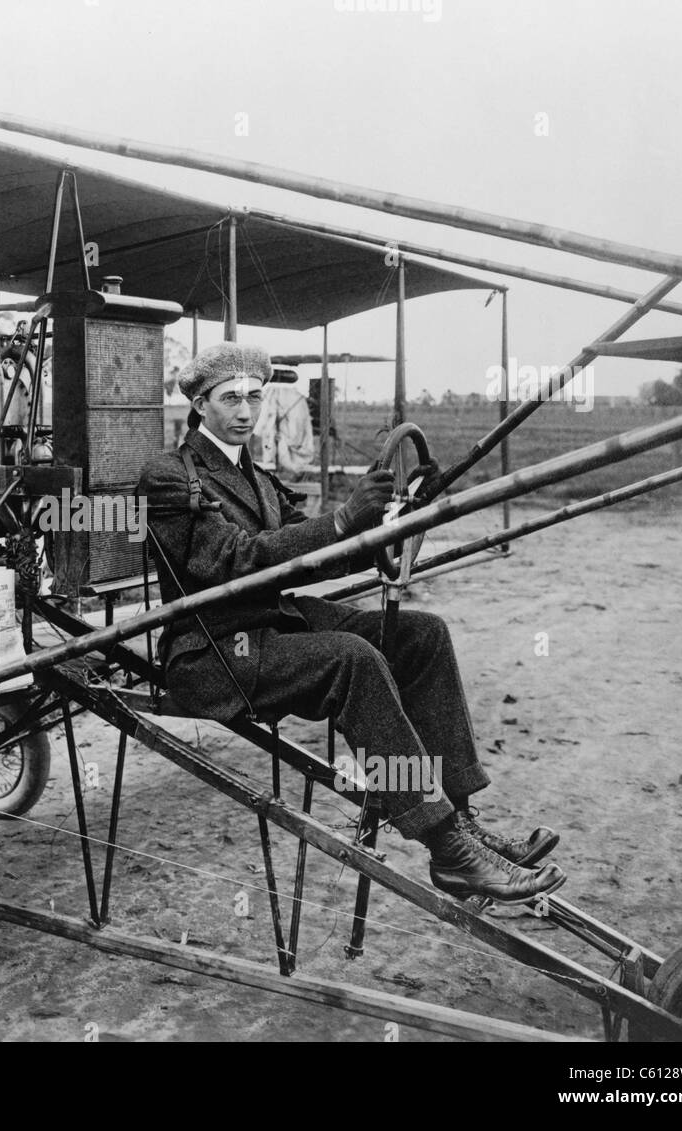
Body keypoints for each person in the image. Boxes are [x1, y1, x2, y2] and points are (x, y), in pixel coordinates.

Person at [138, 342, 566, 905]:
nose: (245, 411)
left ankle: (461, 819)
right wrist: (342, 519)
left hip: (272, 625)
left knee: (421, 634)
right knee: (352, 658)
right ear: (198, 403)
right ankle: (446, 848)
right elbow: (237, 559)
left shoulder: (257, 477)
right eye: (229, 399)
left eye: (254, 397)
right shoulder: (170, 477)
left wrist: (385, 524)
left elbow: (319, 552)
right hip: (214, 651)